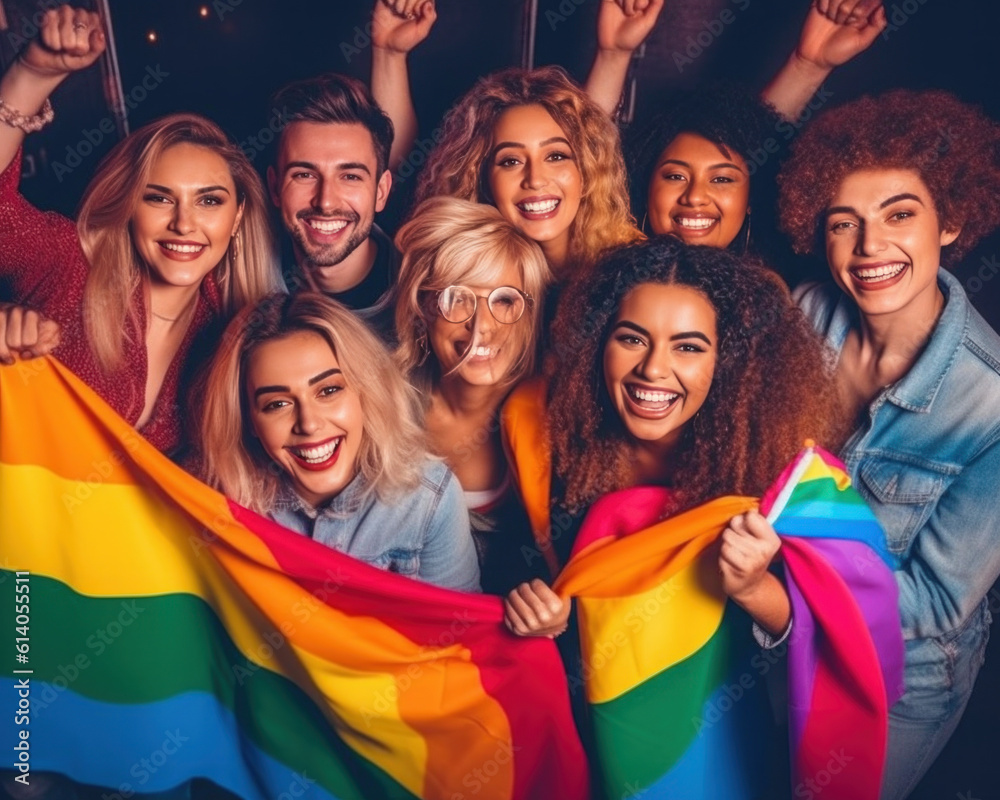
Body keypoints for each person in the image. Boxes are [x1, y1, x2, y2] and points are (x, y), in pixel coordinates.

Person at [778, 88, 1000, 800]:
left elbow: (936, 602)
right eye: (845, 223)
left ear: (952, 222)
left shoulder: (991, 403)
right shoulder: (806, 312)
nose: (870, 247)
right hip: (775, 636)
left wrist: (775, 598)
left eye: (899, 215)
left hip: (899, 674)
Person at [501, 237, 841, 639]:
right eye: (632, 339)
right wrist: (542, 615)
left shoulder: (779, 473)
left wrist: (753, 589)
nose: (654, 369)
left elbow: (832, 637)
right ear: (598, 345)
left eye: (688, 347)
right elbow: (519, 575)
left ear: (728, 363)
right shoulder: (543, 431)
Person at [0, 5, 279, 455]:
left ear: (239, 216)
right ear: (129, 205)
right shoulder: (70, 265)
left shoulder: (232, 331)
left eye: (209, 201)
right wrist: (31, 74)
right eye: (159, 198)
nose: (184, 223)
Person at [198, 291, 481, 592]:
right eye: (277, 404)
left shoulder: (428, 499)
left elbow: (463, 631)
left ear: (364, 391)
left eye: (328, 391)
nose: (308, 423)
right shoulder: (221, 504)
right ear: (249, 421)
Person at [585, 0, 886, 262]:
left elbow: (755, 141)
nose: (695, 196)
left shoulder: (774, 296)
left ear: (750, 200)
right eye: (675, 176)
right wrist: (612, 56)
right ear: (645, 186)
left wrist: (808, 65)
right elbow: (585, 168)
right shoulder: (607, 273)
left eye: (722, 178)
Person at [394, 196, 551, 593]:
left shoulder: (552, 419)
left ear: (530, 315)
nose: (481, 326)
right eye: (456, 298)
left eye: (504, 300)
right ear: (423, 309)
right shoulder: (385, 406)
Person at [415, 65, 640, 281]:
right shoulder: (469, 279)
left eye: (556, 156)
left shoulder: (631, 269)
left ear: (587, 170)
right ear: (482, 179)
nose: (535, 180)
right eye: (511, 161)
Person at [266, 72, 398, 336]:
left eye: (350, 177)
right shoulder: (245, 284)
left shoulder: (418, 298)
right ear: (274, 187)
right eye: (304, 175)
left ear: (381, 192)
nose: (325, 202)